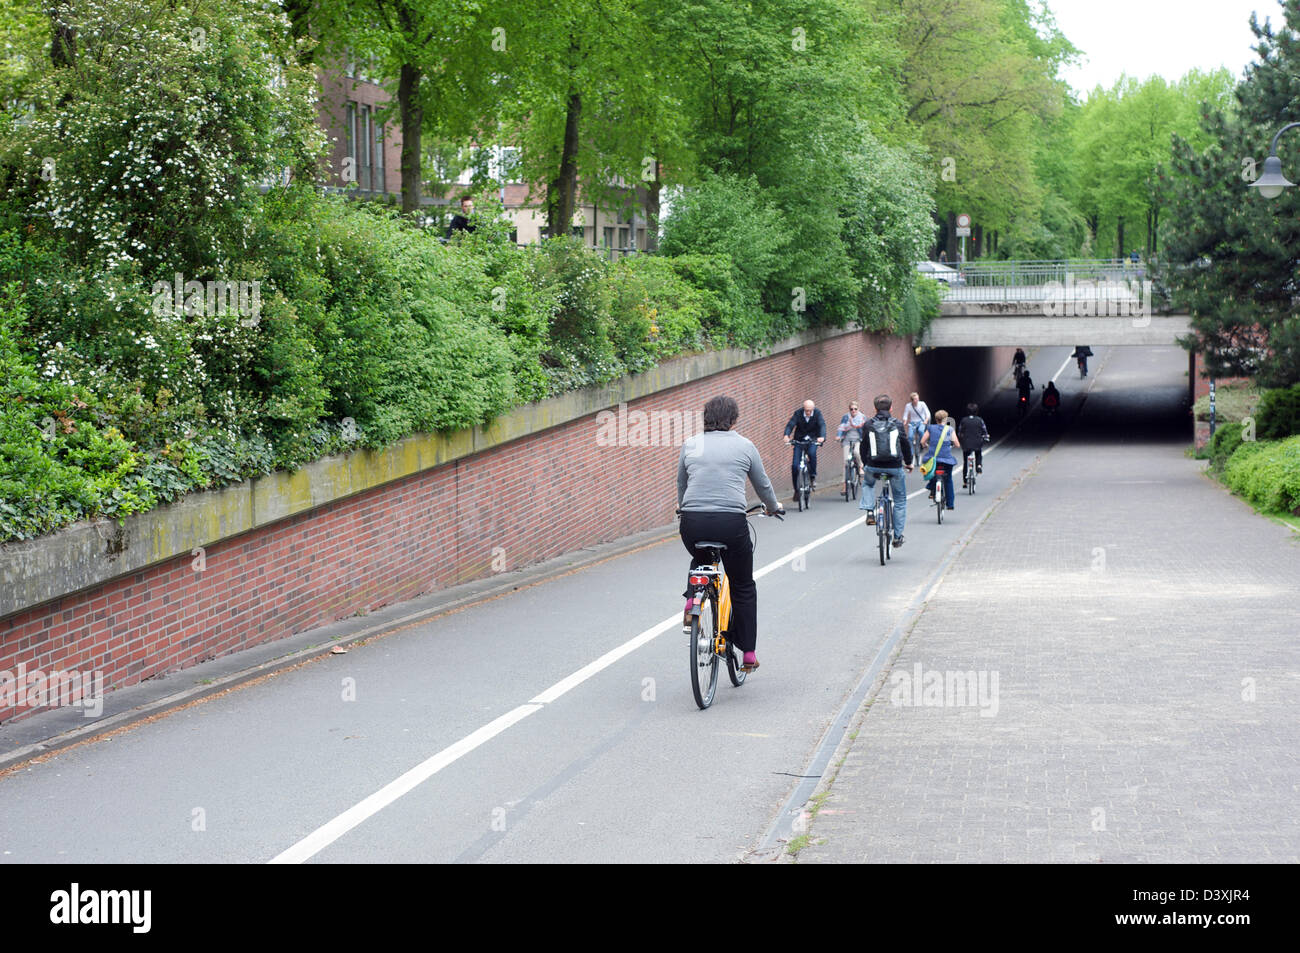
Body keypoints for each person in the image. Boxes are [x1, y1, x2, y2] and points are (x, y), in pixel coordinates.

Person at [678, 396, 783, 673]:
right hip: (730, 523)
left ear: (706, 418)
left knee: (700, 556)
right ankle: (748, 652)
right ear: (734, 419)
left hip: (692, 522)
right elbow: (762, 484)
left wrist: (684, 508)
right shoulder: (745, 445)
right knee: (743, 585)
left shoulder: (690, 444)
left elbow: (682, 484)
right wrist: (774, 507)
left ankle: (693, 597)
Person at [858, 395, 914, 547]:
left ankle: (870, 511)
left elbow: (863, 446)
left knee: (868, 484)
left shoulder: (869, 424)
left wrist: (865, 463)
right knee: (900, 500)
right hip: (894, 467)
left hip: (873, 465)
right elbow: (905, 445)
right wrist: (908, 463)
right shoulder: (897, 424)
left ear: (875, 408)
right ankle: (897, 537)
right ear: (891, 408)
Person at [783, 400, 826, 500]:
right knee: (794, 466)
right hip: (799, 441)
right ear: (803, 408)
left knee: (811, 453)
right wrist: (786, 435)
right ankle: (797, 490)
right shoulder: (798, 413)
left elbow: (822, 425)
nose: (808, 413)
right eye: (806, 410)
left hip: (813, 440)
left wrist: (822, 437)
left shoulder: (817, 414)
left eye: (810, 411)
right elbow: (791, 424)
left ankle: (812, 476)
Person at [921, 410, 961, 509]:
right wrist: (951, 445)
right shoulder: (949, 429)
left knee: (932, 472)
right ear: (946, 419)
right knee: (948, 480)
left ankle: (932, 488)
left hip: (933, 458)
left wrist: (926, 445)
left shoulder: (930, 428)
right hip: (946, 459)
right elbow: (957, 444)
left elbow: (922, 441)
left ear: (936, 419)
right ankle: (950, 505)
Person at [836, 400, 867, 496]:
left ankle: (861, 466)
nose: (853, 411)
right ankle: (845, 485)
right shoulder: (846, 417)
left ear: (858, 409)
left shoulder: (862, 418)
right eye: (851, 409)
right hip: (847, 440)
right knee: (846, 462)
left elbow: (866, 429)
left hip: (858, 440)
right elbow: (841, 427)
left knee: (857, 452)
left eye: (855, 409)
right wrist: (838, 436)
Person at [956, 403, 990, 487]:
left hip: (966, 444)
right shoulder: (980, 420)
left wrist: (961, 438)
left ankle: (964, 482)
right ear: (976, 411)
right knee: (978, 453)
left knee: (965, 462)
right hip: (977, 443)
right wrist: (986, 436)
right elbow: (984, 430)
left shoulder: (964, 420)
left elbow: (960, 432)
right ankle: (978, 466)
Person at [901, 392, 931, 457]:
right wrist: (905, 421)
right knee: (910, 437)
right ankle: (911, 453)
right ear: (912, 400)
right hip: (912, 423)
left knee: (921, 431)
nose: (917, 400)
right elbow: (905, 414)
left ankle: (923, 442)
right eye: (915, 399)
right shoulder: (908, 406)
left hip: (921, 422)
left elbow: (927, 413)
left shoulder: (922, 404)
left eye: (918, 398)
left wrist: (926, 420)